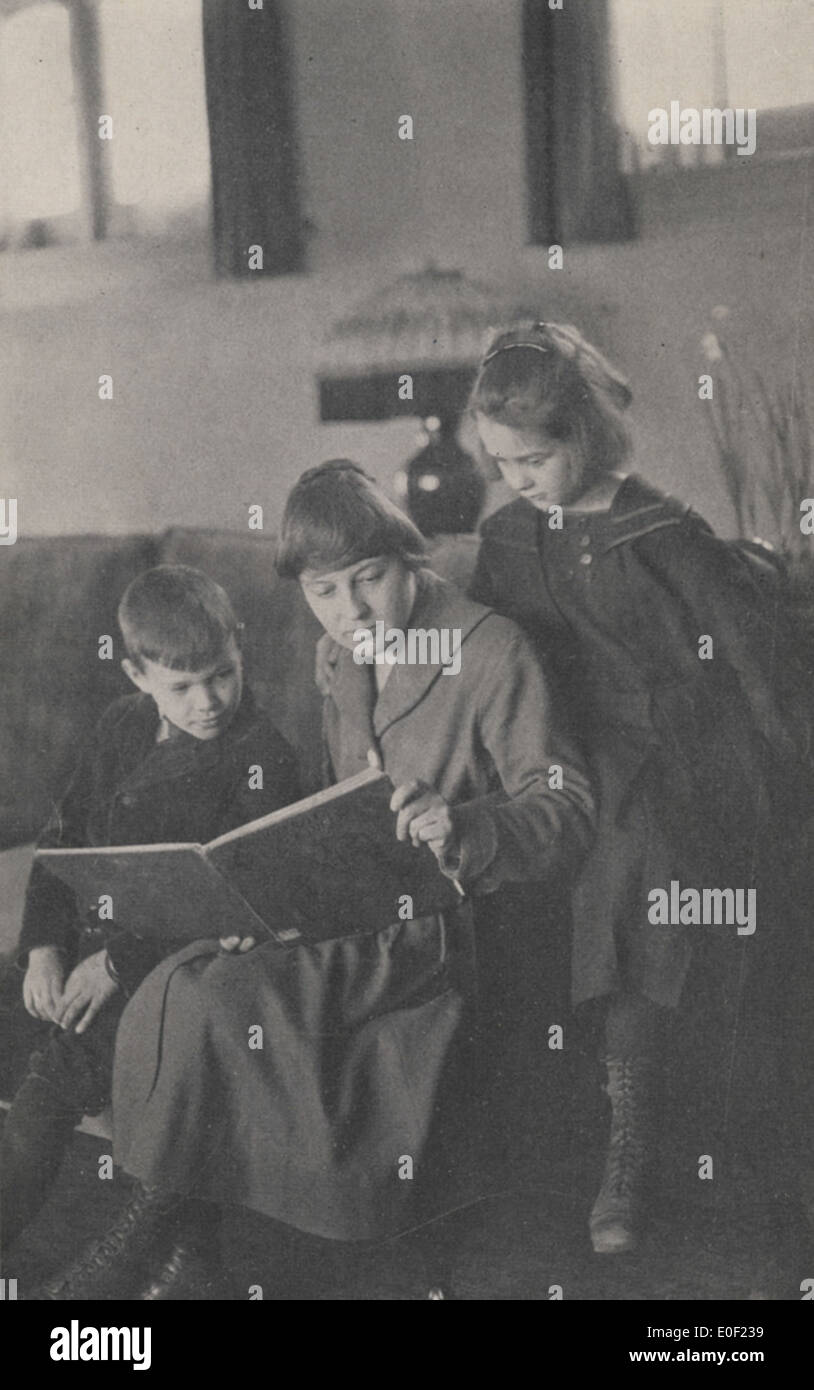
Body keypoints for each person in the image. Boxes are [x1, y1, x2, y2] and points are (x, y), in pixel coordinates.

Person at [53, 459, 595, 1301]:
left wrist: (470, 825)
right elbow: (335, 799)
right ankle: (181, 1238)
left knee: (214, 1000)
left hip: (441, 925)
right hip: (350, 910)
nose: (350, 614)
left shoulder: (493, 651)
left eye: (369, 581)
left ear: (408, 558)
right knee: (175, 980)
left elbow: (568, 809)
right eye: (323, 593)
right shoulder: (336, 659)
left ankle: (145, 1237)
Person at [466, 319, 810, 1254]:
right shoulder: (505, 537)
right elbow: (484, 659)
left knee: (629, 843)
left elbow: (760, 671)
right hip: (555, 747)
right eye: (499, 462)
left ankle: (631, 1142)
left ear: (585, 436)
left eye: (533, 459)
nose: (516, 480)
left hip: (682, 755)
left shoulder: (664, 532)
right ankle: (519, 1140)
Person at [0, 565, 300, 1283]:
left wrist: (114, 964)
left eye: (222, 675)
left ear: (241, 646)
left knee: (55, 1078)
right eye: (182, 686)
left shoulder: (264, 757)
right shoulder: (120, 726)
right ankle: (187, 1252)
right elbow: (65, 840)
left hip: (176, 968)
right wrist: (42, 946)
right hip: (84, 947)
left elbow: (234, 901)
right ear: (136, 674)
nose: (208, 703)